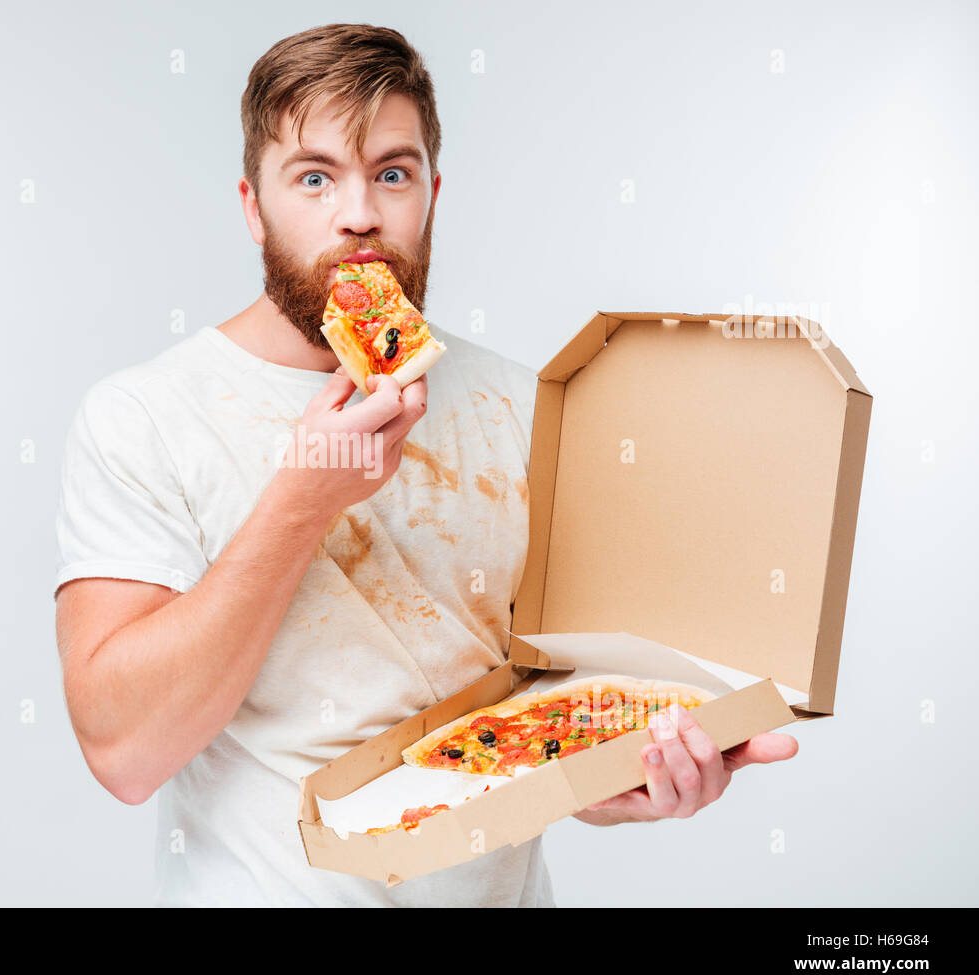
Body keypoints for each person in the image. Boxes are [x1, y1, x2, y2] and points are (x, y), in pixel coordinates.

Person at [53, 23, 798, 907]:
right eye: (316, 177)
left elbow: (546, 705)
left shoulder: (526, 406)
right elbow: (124, 754)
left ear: (432, 196)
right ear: (253, 205)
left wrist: (624, 776)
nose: (359, 213)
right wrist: (302, 501)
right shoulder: (142, 417)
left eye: (392, 174)